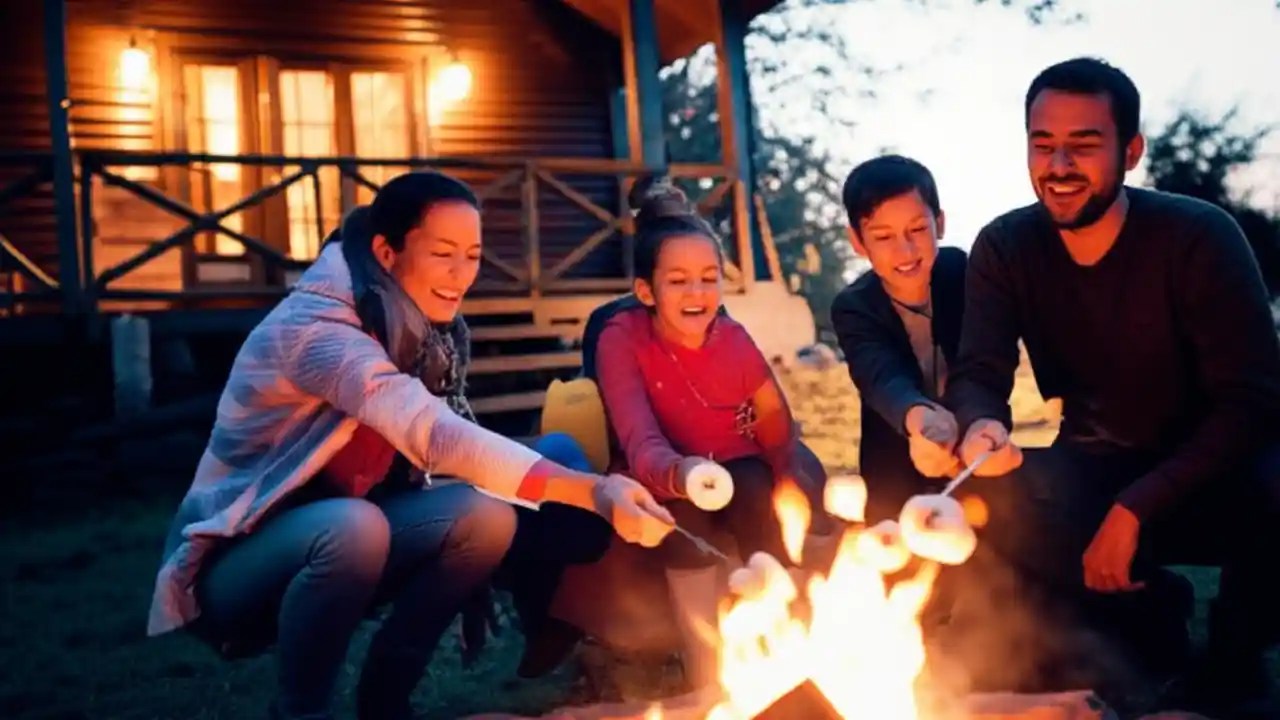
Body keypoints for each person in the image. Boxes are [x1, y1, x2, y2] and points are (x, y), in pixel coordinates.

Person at [145, 170, 676, 720]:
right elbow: (434, 434)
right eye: (443, 253)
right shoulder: (319, 330)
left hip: (344, 533)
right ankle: (301, 711)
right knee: (356, 526)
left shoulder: (407, 322)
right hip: (237, 565)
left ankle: (387, 702)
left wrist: (568, 483)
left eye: (472, 255)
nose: (460, 275)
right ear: (386, 250)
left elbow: (445, 442)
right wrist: (593, 491)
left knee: (485, 519)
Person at [944, 57, 1280, 715]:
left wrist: (1136, 507)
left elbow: (1253, 402)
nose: (1059, 164)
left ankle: (1233, 669)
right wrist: (980, 424)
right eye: (1043, 145)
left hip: (1218, 464)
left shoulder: (1199, 237)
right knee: (999, 497)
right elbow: (979, 374)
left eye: (1084, 144)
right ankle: (1133, 627)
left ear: (1131, 151)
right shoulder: (1006, 246)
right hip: (1094, 461)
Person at [592, 177, 832, 690]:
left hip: (732, 460)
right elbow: (640, 441)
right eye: (678, 281)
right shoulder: (620, 338)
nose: (697, 293)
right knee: (687, 520)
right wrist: (682, 473)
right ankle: (707, 676)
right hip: (662, 473)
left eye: (708, 278)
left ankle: (791, 653)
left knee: (758, 493)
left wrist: (786, 473)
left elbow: (774, 421)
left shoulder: (733, 339)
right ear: (645, 291)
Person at [830, 154, 968, 524]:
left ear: (939, 223)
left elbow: (989, 358)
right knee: (894, 558)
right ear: (857, 241)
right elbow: (879, 375)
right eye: (883, 237)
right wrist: (920, 421)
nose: (905, 251)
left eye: (917, 230)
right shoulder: (854, 306)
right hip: (894, 458)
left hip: (973, 446)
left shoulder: (965, 274)